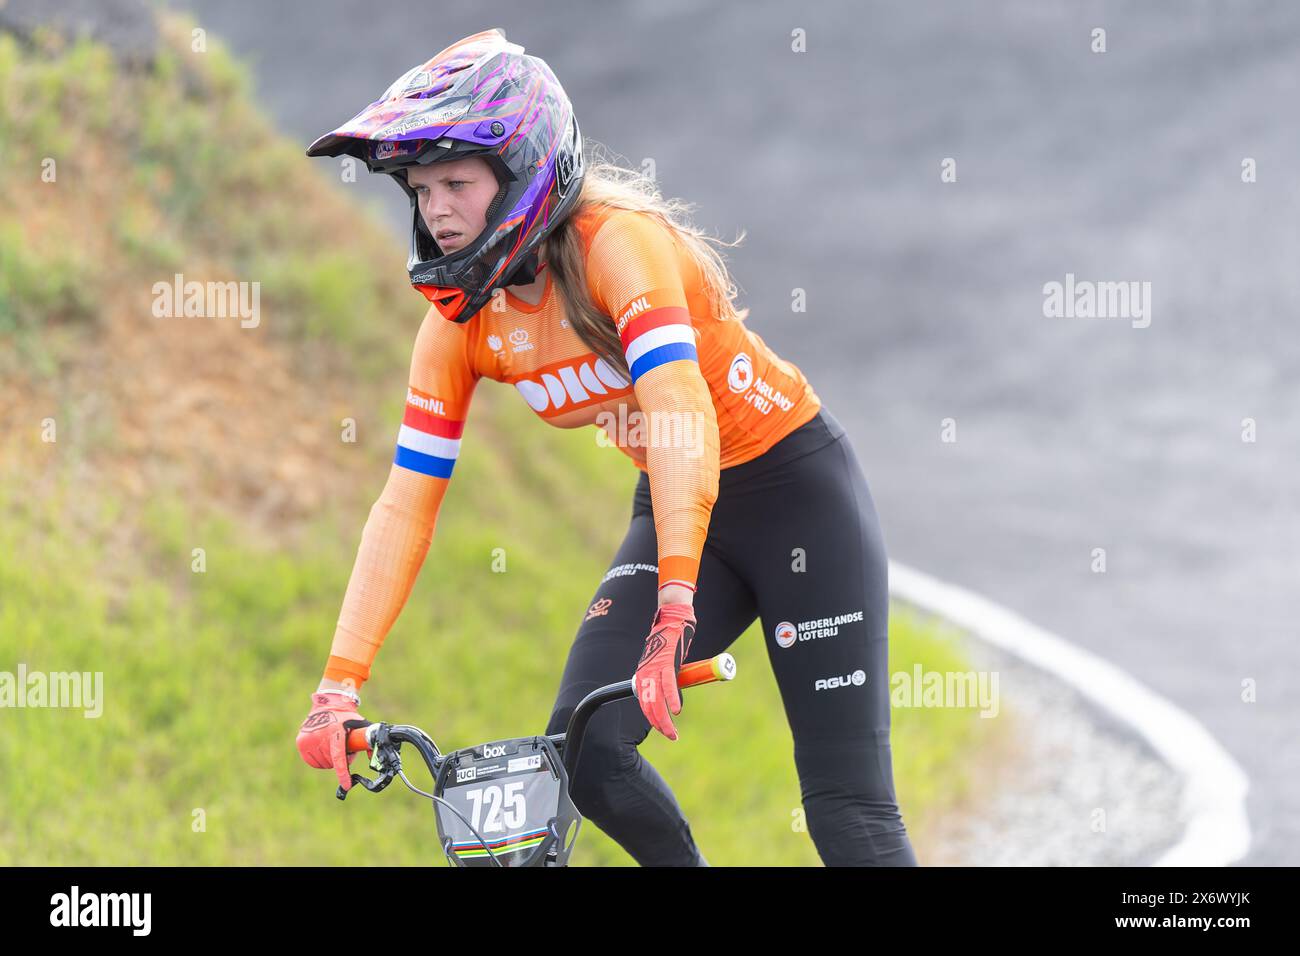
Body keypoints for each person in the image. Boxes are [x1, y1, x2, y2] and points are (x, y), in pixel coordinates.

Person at [296, 28, 917, 867]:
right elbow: (406, 499)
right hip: (675, 505)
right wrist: (339, 683)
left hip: (795, 497)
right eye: (419, 187)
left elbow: (676, 407)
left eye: (455, 182)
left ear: (524, 174)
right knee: (584, 755)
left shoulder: (618, 245)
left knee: (847, 810)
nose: (434, 208)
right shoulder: (459, 325)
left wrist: (674, 609)